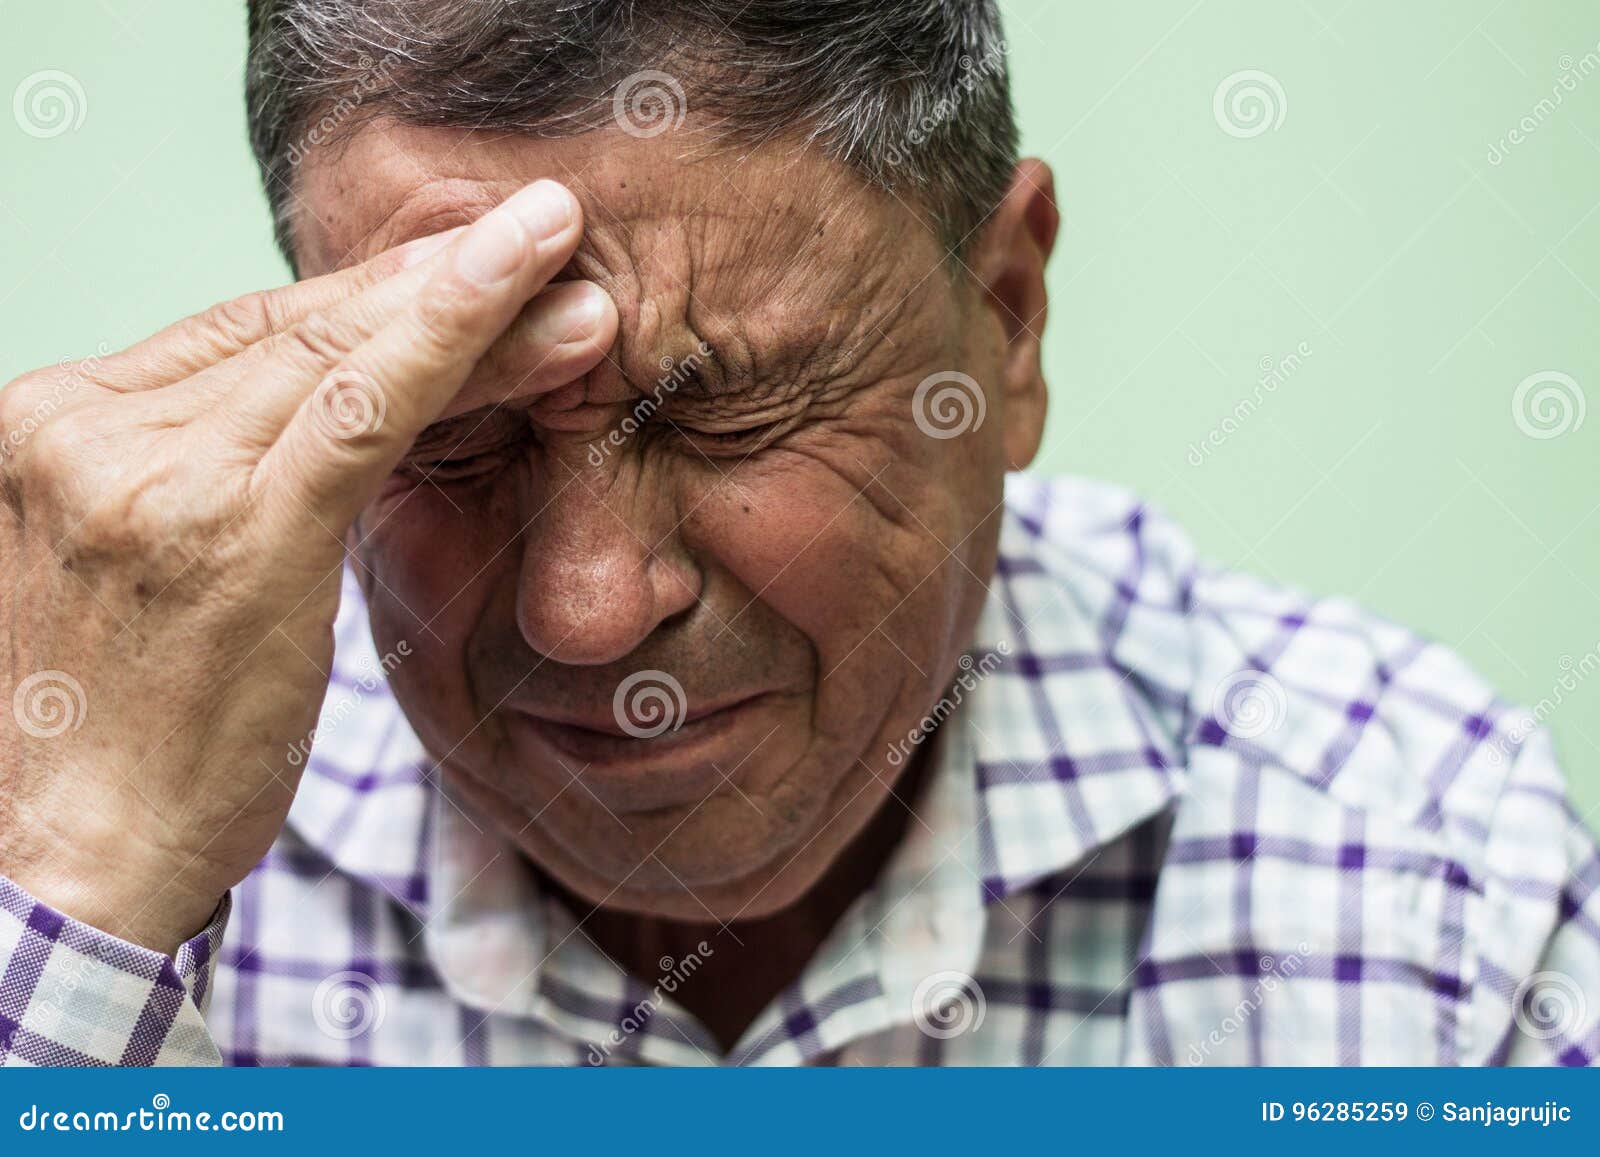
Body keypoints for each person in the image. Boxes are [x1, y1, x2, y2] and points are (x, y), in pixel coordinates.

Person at [1, 0, 1595, 1066]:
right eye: (454, 426)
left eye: (719, 409)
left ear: (1009, 319)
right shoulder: (74, 827)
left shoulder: (1427, 885)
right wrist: (85, 900)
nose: (585, 608)